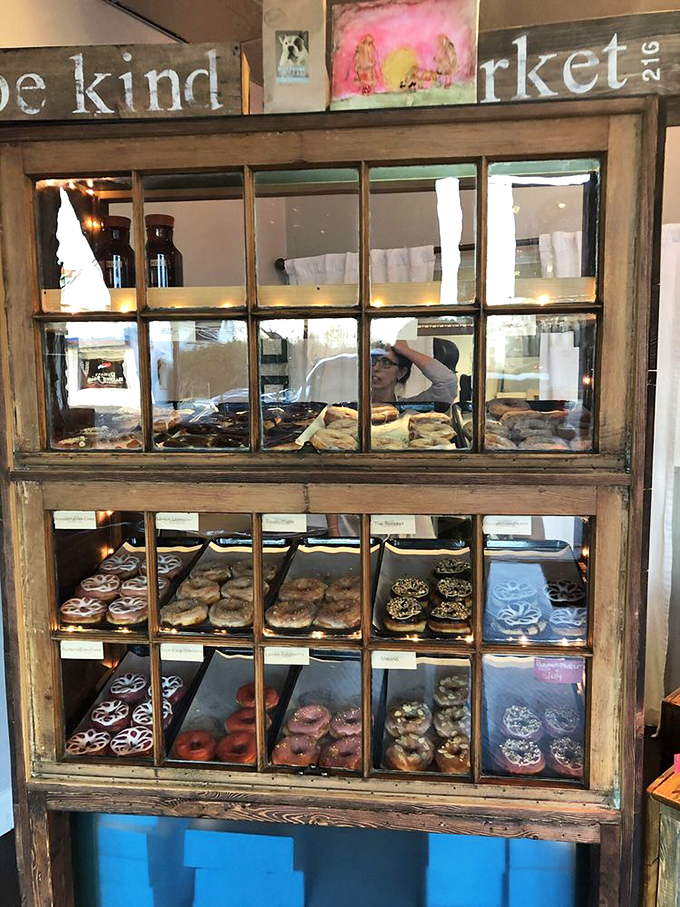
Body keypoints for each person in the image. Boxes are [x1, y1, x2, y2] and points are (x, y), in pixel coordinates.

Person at [371, 340, 457, 407]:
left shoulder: (409, 410)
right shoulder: (358, 410)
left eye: (386, 362)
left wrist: (406, 350)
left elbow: (448, 382)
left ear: (401, 373)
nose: (375, 368)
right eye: (372, 360)